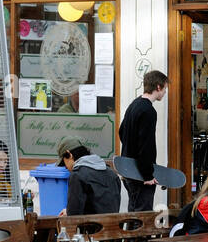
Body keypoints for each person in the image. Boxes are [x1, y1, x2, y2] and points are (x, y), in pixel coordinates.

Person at [119, 69, 168, 211]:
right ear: (158, 87)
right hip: (141, 175)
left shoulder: (134, 105)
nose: (165, 92)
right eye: (164, 88)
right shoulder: (148, 111)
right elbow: (146, 146)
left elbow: (122, 131)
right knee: (142, 218)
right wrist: (147, 175)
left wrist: (130, 150)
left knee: (133, 214)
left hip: (129, 170)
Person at [58, 137, 120, 215]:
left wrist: (68, 212)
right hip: (113, 226)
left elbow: (74, 215)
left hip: (91, 226)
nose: (66, 167)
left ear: (69, 154)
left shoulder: (77, 175)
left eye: (64, 163)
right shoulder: (112, 174)